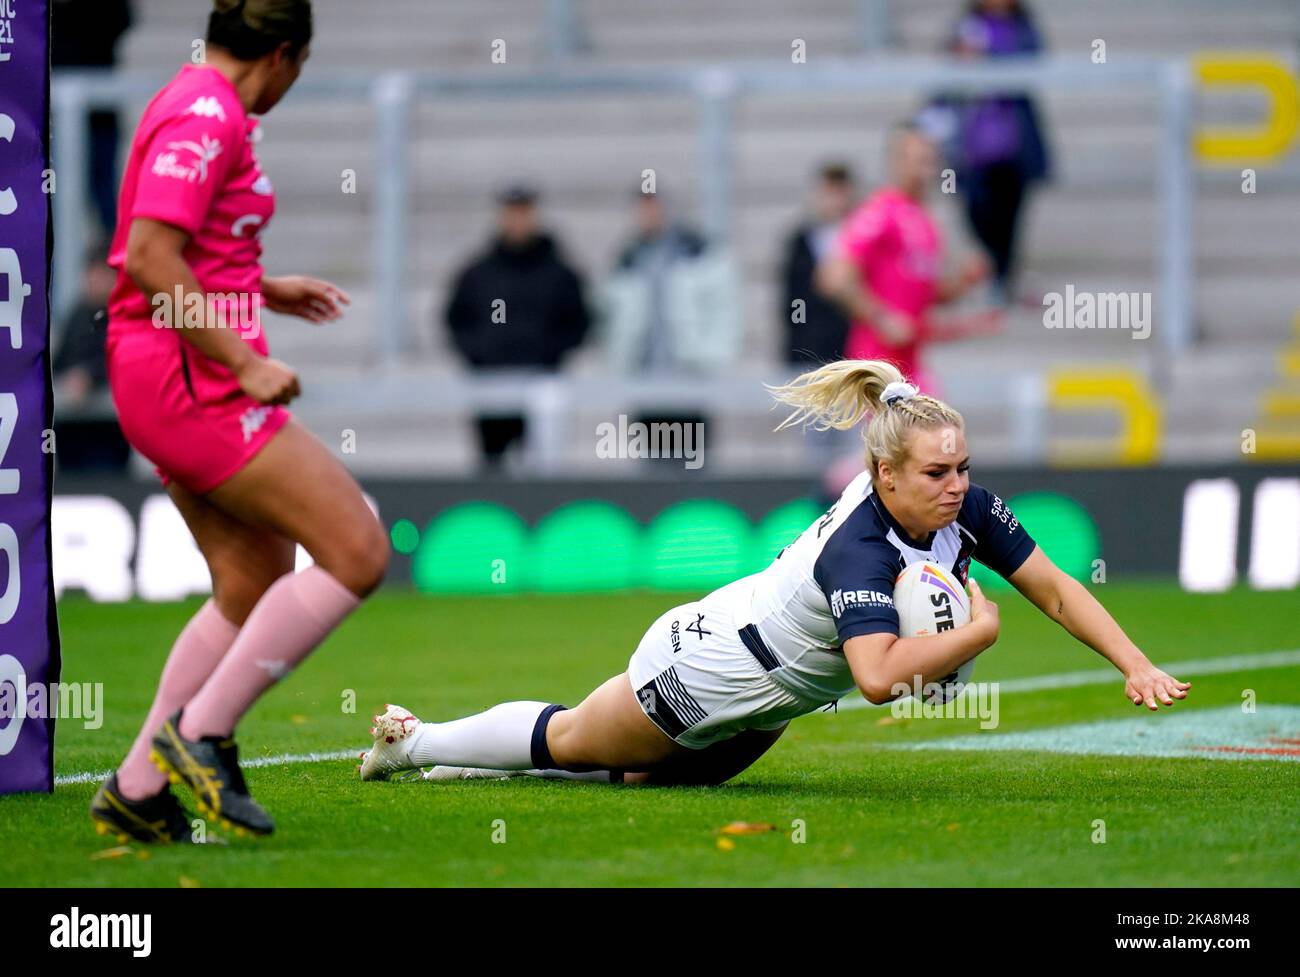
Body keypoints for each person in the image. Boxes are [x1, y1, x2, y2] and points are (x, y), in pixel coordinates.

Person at [358, 359, 1190, 789]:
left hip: (777, 698)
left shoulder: (961, 506)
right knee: (576, 739)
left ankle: (479, 760)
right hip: (710, 666)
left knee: (635, 775)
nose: (958, 484)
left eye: (963, 466)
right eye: (938, 472)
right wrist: (977, 634)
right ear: (885, 473)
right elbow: (878, 680)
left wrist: (1136, 662)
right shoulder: (859, 548)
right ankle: (416, 742)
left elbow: (1055, 586)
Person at [89, 0, 390, 845]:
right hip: (188, 376)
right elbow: (149, 258)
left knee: (252, 579)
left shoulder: (191, 99)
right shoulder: (208, 114)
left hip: (167, 370)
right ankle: (202, 735)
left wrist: (264, 289)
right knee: (358, 548)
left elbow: (185, 249)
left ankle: (138, 788)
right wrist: (245, 361)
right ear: (283, 55)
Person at [816, 122, 999, 399]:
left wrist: (964, 281)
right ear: (897, 161)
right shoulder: (881, 212)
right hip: (877, 365)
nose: (925, 170)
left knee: (938, 422)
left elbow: (924, 294)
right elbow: (832, 277)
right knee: (914, 425)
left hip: (911, 362)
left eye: (930, 161)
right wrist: (882, 318)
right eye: (918, 160)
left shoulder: (926, 222)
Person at [445, 184, 591, 469]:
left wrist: (548, 353)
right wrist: (481, 354)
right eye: (511, 212)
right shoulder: (479, 272)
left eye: (523, 212)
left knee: (544, 466)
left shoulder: (558, 273)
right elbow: (456, 319)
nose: (517, 221)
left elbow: (579, 322)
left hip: (542, 382)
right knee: (492, 467)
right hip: (491, 381)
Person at [939, 0, 1052, 301]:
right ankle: (994, 268)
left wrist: (988, 58)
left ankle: (1001, 277)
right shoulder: (965, 26)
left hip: (1012, 144)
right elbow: (946, 73)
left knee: (1009, 214)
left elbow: (1033, 65)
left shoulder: (1023, 30)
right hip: (973, 146)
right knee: (976, 209)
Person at [51, 0, 134, 238]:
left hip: (99, 108)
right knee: (52, 191)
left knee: (104, 190)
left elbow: (121, 21)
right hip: (51, 109)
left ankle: (113, 248)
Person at [51, 244, 131, 472]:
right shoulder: (76, 315)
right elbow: (59, 362)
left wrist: (89, 377)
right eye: (92, 274)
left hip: (108, 438)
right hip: (72, 434)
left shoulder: (125, 317)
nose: (96, 281)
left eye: (103, 275)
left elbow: (119, 358)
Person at [780, 162, 857, 366]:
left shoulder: (862, 236)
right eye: (829, 193)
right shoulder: (801, 240)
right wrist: (798, 332)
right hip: (811, 341)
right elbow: (794, 297)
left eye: (839, 193)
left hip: (850, 342)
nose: (834, 201)